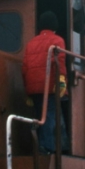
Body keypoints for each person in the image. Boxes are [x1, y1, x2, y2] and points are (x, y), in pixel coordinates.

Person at [22, 11, 68, 154]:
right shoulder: (57, 40)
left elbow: (24, 68)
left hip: (33, 87)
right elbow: (59, 62)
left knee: (39, 116)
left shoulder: (31, 43)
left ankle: (40, 145)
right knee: (49, 115)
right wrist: (61, 81)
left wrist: (27, 90)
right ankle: (46, 147)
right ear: (55, 25)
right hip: (50, 86)